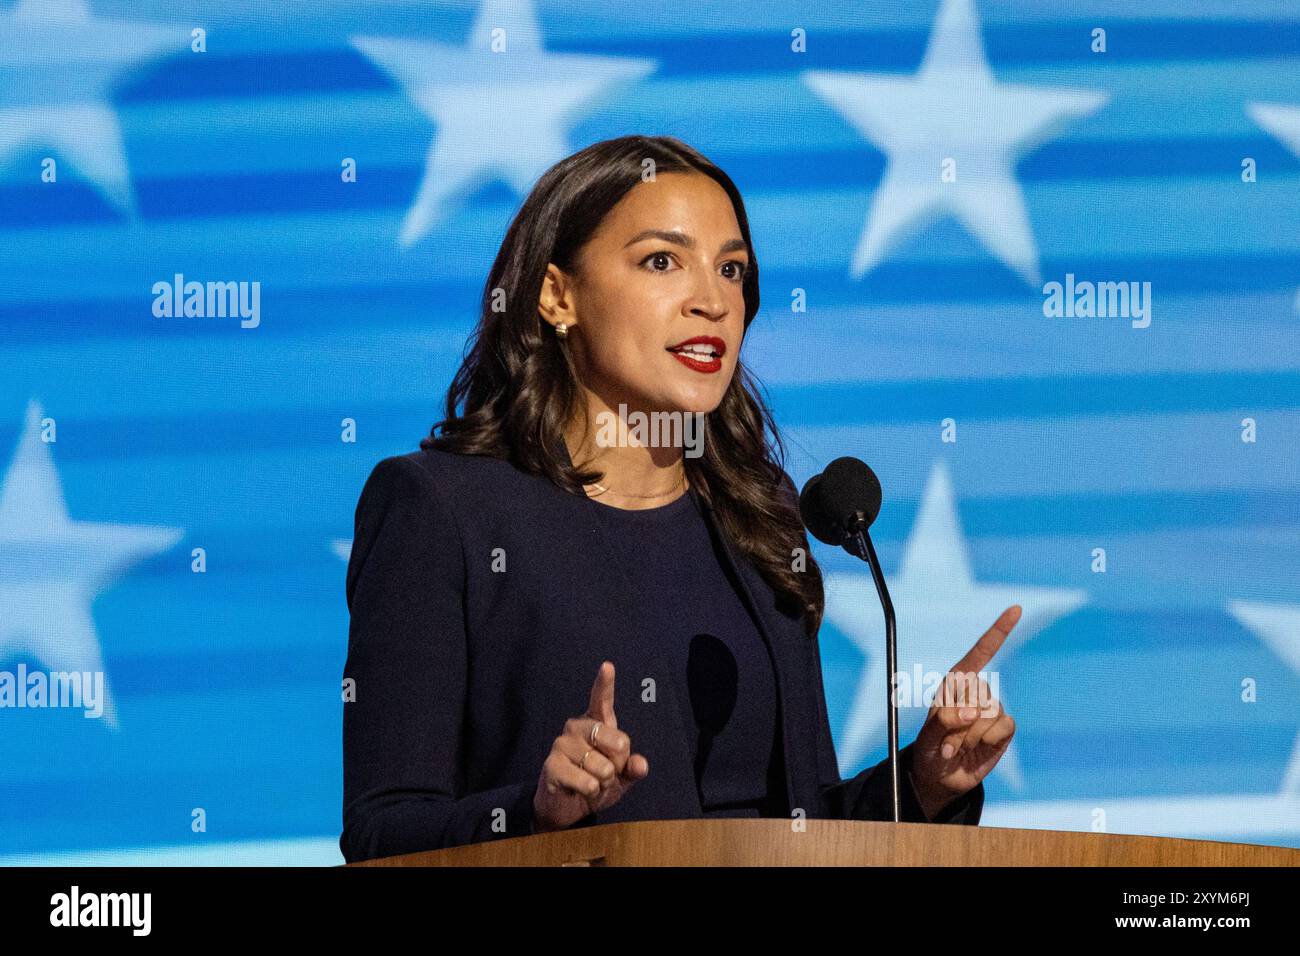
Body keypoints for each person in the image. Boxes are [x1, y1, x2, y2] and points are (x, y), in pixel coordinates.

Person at [339, 134, 1018, 864]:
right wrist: (537, 813)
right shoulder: (441, 508)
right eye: (662, 260)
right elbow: (384, 835)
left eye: (732, 270)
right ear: (556, 294)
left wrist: (924, 782)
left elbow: (799, 828)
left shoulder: (759, 512)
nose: (713, 301)